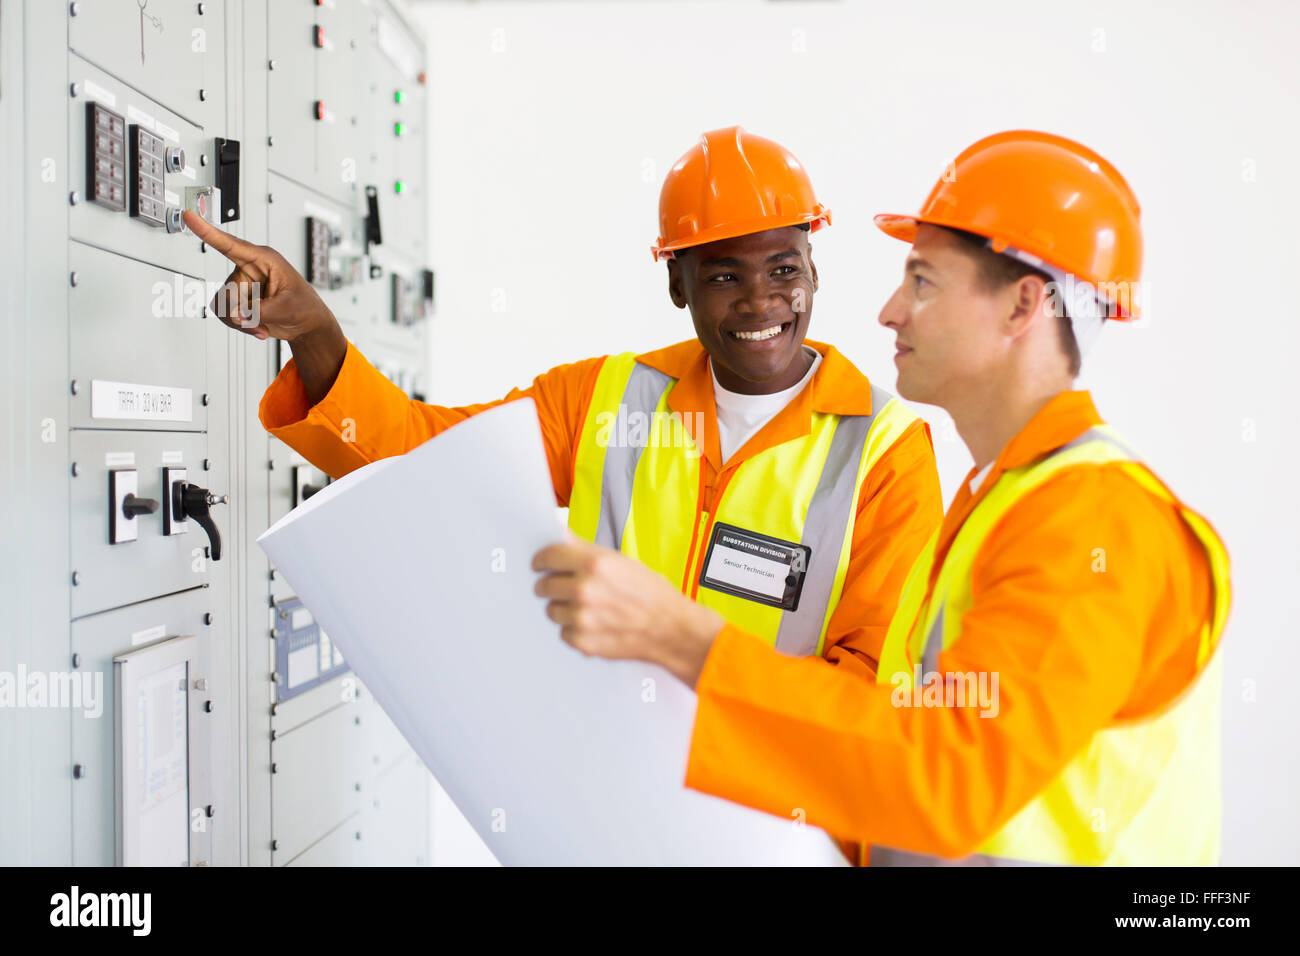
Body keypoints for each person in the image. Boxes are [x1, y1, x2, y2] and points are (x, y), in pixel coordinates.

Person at [184, 126, 943, 861]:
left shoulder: (884, 449)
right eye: (722, 275)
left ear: (814, 269)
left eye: (784, 268)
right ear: (676, 283)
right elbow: (418, 457)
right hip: (604, 813)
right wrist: (316, 335)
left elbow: (873, 697)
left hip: (777, 832)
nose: (760, 301)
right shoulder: (611, 400)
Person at [533, 130, 1231, 866]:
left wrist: (681, 638)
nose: (889, 311)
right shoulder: (1000, 503)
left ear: (1024, 306)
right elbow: (895, 739)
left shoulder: (1096, 519)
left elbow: (945, 776)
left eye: (923, 281)